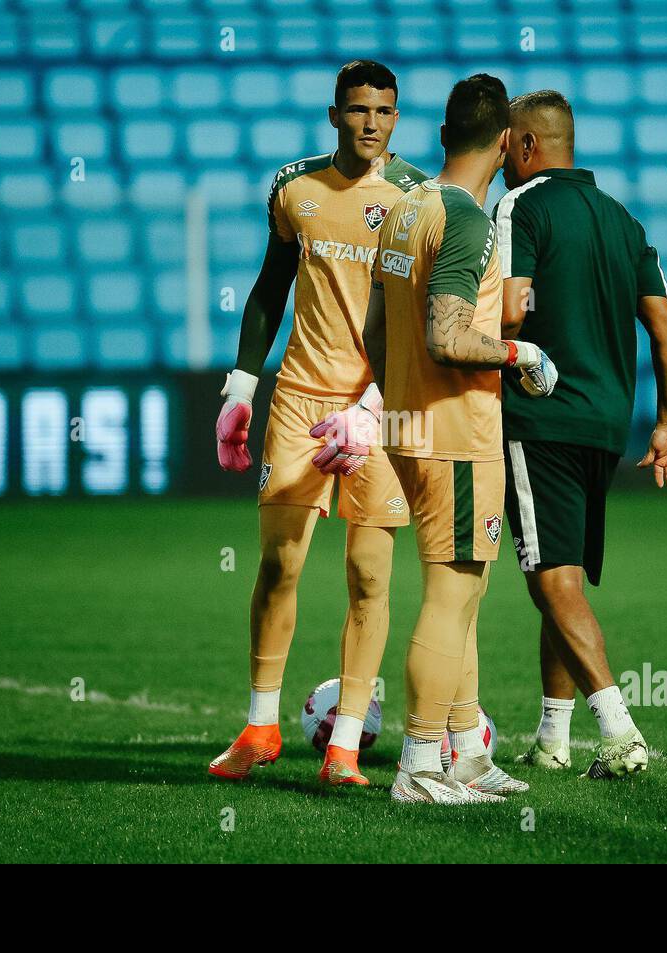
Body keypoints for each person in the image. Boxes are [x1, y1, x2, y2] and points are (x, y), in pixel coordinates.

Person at [208, 61, 429, 787]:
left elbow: (424, 319)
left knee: (369, 573)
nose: (373, 124)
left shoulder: (417, 197)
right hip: (301, 398)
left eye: (386, 112)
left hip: (381, 403)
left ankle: (343, 748)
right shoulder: (292, 188)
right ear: (335, 115)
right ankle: (260, 725)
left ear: (397, 119)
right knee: (279, 564)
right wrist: (240, 387)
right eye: (360, 110)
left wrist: (374, 407)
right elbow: (270, 288)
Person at [364, 74, 557, 804]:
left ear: (444, 133)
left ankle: (467, 753)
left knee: (465, 588)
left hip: (409, 424)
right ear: (505, 144)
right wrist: (521, 355)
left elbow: (378, 331)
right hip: (458, 430)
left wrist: (398, 401)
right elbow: (448, 334)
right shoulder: (469, 219)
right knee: (452, 593)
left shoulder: (403, 208)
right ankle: (418, 765)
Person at [493, 90, 667, 779]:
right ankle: (552, 735)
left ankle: (620, 729)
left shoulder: (521, 206)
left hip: (540, 416)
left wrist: (465, 347)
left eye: (502, 144)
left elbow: (512, 311)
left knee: (551, 577)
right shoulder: (621, 219)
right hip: (607, 422)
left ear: (523, 145)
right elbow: (664, 325)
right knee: (562, 572)